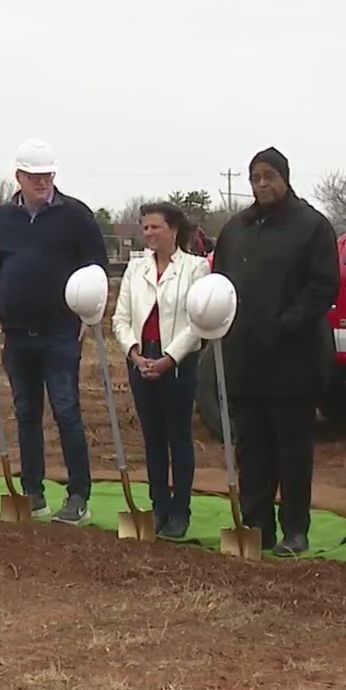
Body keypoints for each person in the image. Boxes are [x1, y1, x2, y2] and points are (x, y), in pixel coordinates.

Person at [210, 147, 340, 557]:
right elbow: (220, 283)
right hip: (245, 361)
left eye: (269, 176)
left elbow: (323, 286)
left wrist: (285, 325)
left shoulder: (311, 226)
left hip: (293, 362)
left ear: (285, 178)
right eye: (255, 178)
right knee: (252, 451)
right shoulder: (237, 229)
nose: (262, 184)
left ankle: (295, 530)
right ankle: (256, 527)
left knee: (292, 453)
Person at [0, 137, 107, 525]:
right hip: (17, 334)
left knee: (66, 411)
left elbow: (96, 269)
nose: (42, 182)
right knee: (26, 413)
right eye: (33, 176)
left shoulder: (76, 216)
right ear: (18, 177)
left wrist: (86, 317)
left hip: (60, 333)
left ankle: (78, 496)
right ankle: (33, 493)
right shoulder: (4, 218)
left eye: (47, 175)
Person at [112, 202, 212, 541]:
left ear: (173, 229)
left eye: (155, 227)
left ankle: (180, 512)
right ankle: (159, 507)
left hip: (178, 361)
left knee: (177, 436)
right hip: (141, 358)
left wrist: (170, 358)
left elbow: (198, 321)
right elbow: (121, 318)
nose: (149, 233)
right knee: (152, 437)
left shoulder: (196, 268)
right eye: (145, 228)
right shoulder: (135, 268)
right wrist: (135, 353)